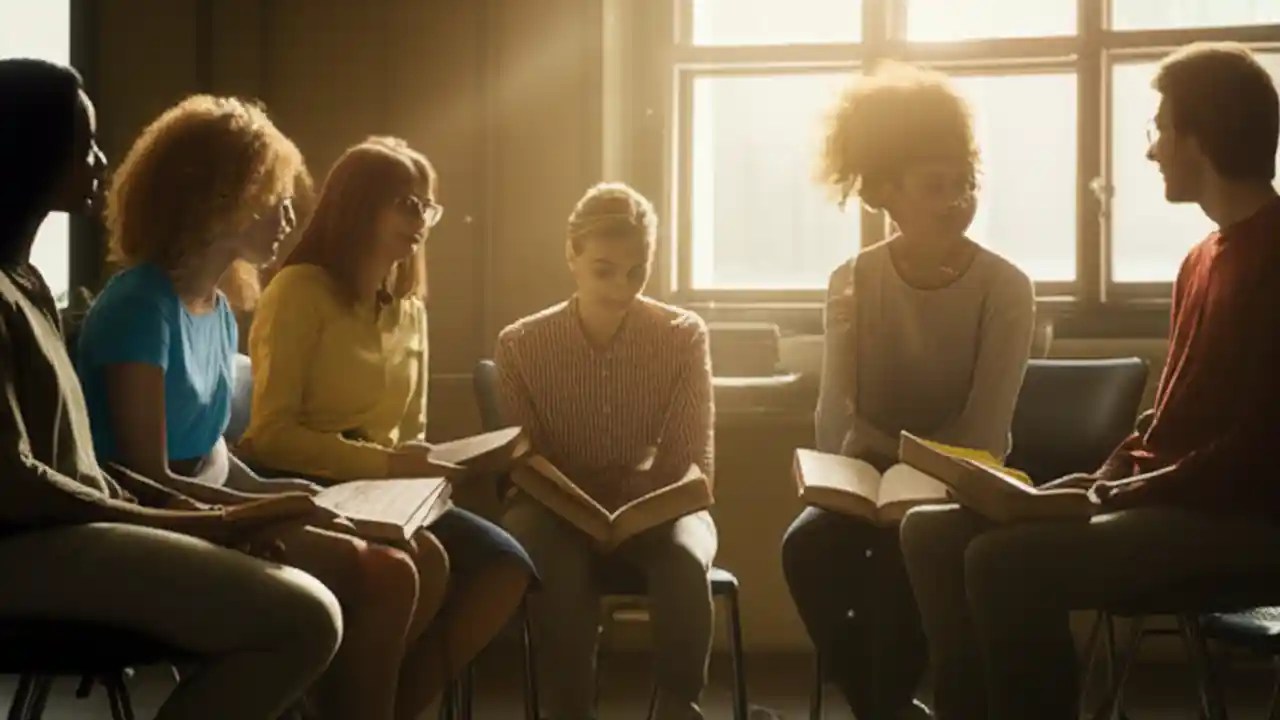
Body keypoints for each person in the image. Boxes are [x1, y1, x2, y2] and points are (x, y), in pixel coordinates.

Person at [900, 42, 1280, 720]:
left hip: (1241, 518)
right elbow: (1167, 420)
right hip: (1167, 499)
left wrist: (1115, 493)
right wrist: (1098, 478)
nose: (1151, 151)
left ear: (1200, 137)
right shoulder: (1199, 260)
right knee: (929, 533)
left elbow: (1257, 449)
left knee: (1004, 560)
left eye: (1160, 128)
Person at [73, 96, 452, 720]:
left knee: (423, 559)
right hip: (158, 526)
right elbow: (145, 479)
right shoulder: (140, 305)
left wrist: (293, 494)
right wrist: (262, 512)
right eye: (274, 197)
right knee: (389, 575)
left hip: (211, 507)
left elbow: (214, 456)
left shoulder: (218, 308)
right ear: (221, 199)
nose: (290, 216)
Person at [0, 59, 343, 720]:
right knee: (304, 618)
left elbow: (79, 467)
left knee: (308, 607)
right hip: (23, 550)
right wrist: (210, 524)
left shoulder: (27, 283)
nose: (101, 161)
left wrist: (194, 513)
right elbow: (16, 485)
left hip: (70, 531)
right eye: (84, 145)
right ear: (33, 151)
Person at [237, 136, 535, 713]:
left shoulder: (409, 308)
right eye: (406, 203)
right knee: (425, 564)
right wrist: (390, 464)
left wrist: (439, 461)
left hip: (387, 488)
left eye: (428, 207)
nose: (420, 219)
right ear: (359, 205)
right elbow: (270, 435)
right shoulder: (299, 291)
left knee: (505, 568)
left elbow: (406, 432)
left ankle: (383, 706)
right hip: (305, 482)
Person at [779, 62, 1036, 720]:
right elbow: (834, 417)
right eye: (934, 186)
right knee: (806, 547)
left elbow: (984, 434)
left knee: (905, 554)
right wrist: (868, 463)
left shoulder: (1006, 287)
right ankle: (884, 708)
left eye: (964, 184)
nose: (956, 201)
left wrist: (894, 453)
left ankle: (885, 708)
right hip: (865, 479)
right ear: (885, 192)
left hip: (965, 483)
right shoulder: (851, 279)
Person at [496, 182, 717, 720]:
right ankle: (567, 710)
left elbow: (691, 459)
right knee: (553, 568)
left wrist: (637, 512)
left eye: (637, 272)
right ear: (571, 257)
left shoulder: (682, 334)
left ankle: (678, 708)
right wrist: (587, 514)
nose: (622, 288)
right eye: (604, 270)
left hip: (656, 502)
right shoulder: (521, 343)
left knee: (685, 562)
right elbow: (525, 462)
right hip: (554, 507)